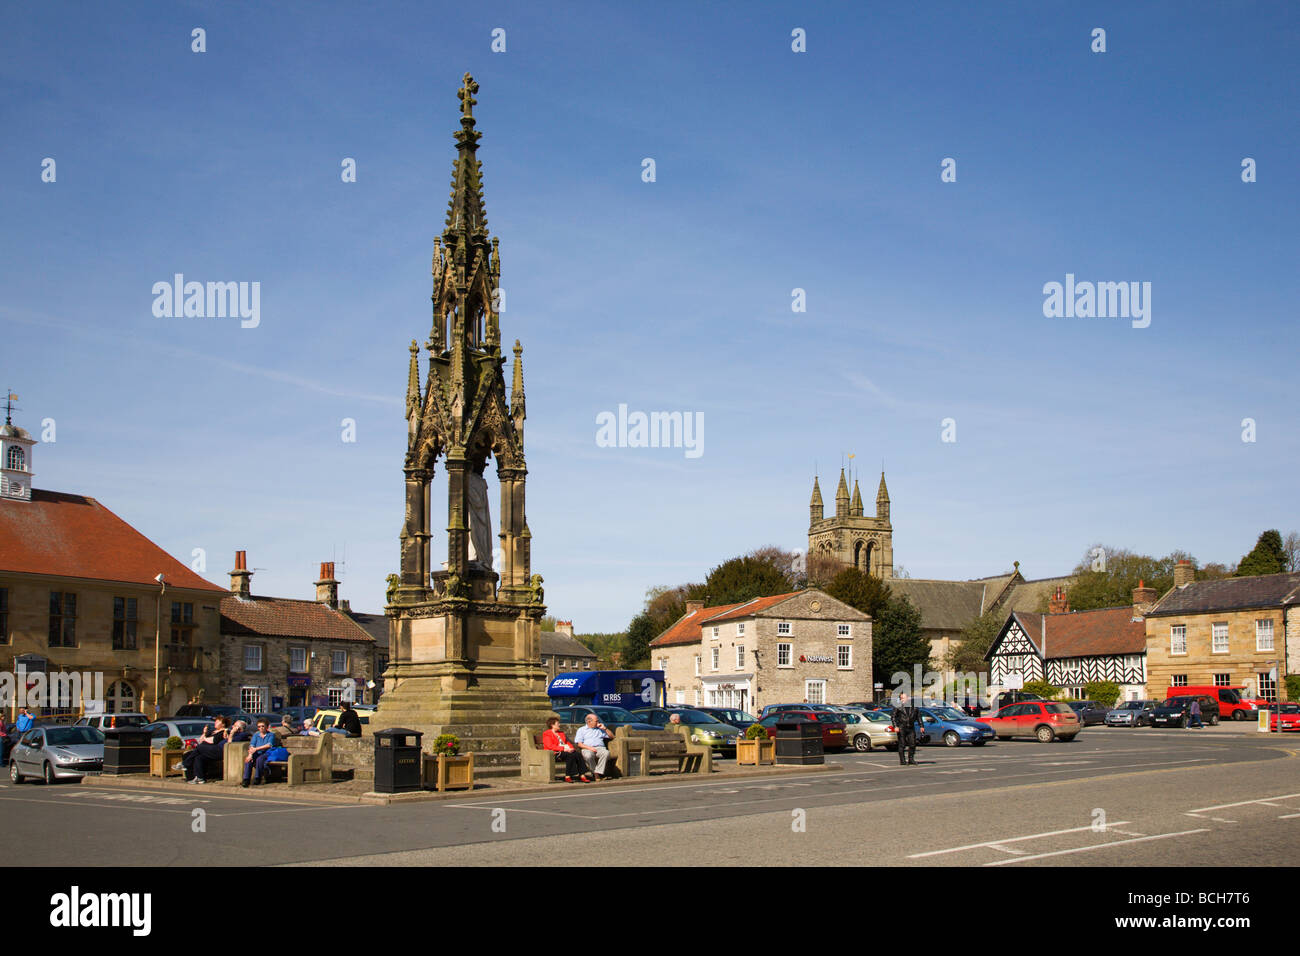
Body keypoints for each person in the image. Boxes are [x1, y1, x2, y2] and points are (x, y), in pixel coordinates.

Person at [542, 716, 589, 783]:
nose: (559, 725)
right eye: (558, 723)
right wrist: (563, 749)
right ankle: (568, 776)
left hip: (565, 750)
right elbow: (550, 746)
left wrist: (571, 748)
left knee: (577, 754)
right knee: (570, 755)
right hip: (555, 752)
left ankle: (582, 775)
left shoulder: (561, 733)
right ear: (552, 725)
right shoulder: (547, 734)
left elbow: (567, 742)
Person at [184, 716, 228, 783]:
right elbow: (201, 741)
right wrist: (204, 733)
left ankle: (185, 764)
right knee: (196, 756)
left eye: (218, 721)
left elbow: (213, 741)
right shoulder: (212, 732)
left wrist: (205, 740)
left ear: (223, 724)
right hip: (206, 750)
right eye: (215, 721)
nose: (215, 723)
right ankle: (199, 778)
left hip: (214, 751)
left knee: (199, 747)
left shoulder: (224, 732)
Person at [574, 713, 613, 781]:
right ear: (589, 721)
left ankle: (597, 772)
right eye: (596, 721)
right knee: (588, 755)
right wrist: (590, 748)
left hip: (600, 748)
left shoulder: (600, 729)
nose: (598, 722)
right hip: (587, 748)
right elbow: (579, 744)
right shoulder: (581, 730)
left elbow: (612, 737)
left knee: (606, 753)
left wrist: (605, 729)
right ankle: (596, 775)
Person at [242, 719, 276, 787]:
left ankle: (257, 778)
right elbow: (252, 745)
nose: (261, 728)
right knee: (248, 761)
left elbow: (269, 745)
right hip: (256, 752)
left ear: (267, 727)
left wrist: (256, 749)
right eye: (259, 726)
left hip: (267, 753)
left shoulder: (271, 735)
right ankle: (246, 779)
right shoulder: (256, 735)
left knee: (259, 759)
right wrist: (250, 755)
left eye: (263, 726)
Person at [891, 693, 921, 766]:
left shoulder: (914, 707)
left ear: (908, 698)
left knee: (913, 744)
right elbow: (893, 717)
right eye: (901, 698)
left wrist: (921, 726)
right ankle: (902, 760)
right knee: (902, 744)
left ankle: (911, 759)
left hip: (910, 727)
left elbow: (919, 717)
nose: (902, 700)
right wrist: (895, 726)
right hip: (902, 727)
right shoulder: (898, 707)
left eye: (903, 698)